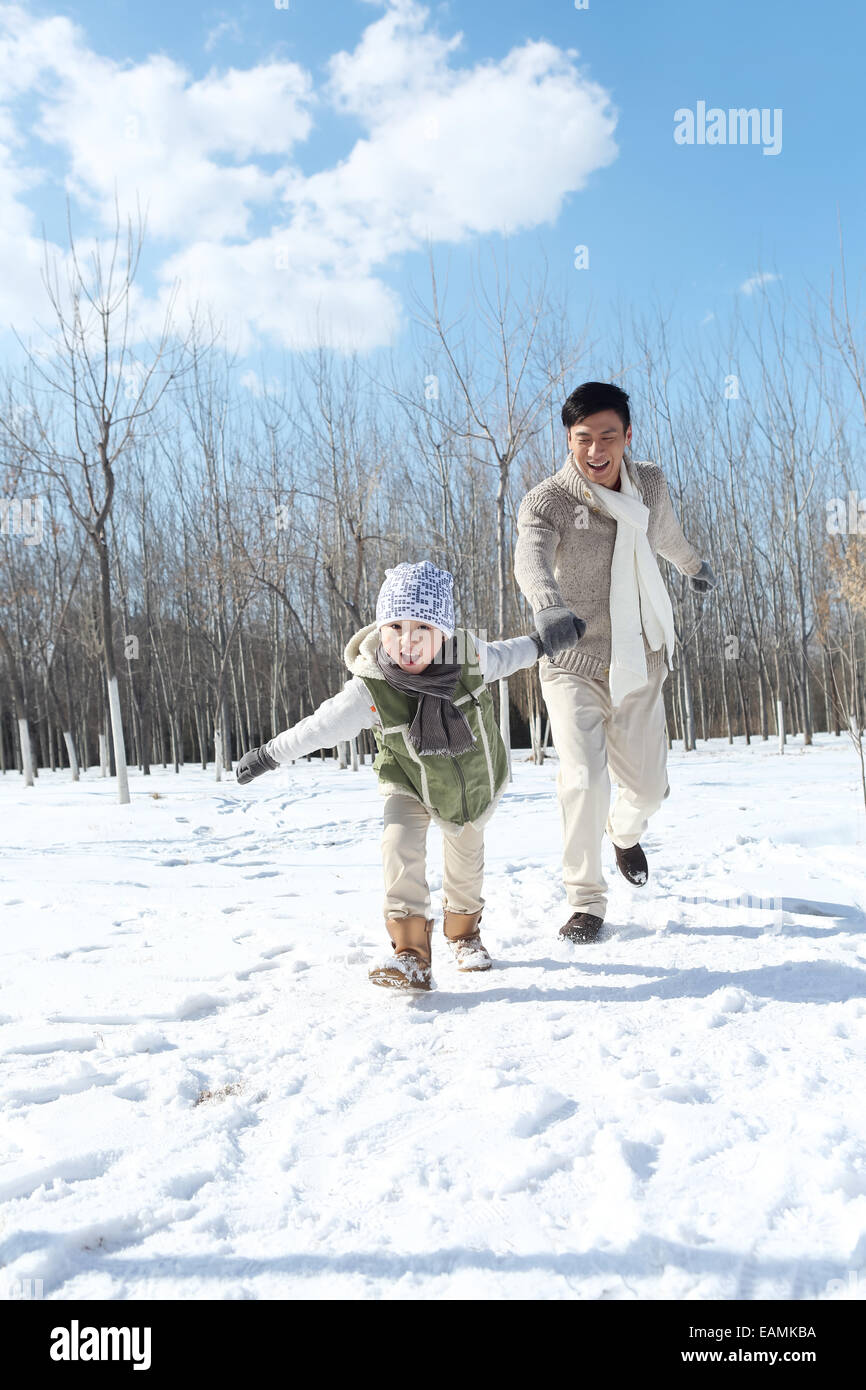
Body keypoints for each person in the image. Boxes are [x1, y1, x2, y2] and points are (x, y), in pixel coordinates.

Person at [235, 560, 583, 991]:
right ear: (381, 630)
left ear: (444, 633)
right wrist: (269, 754)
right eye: (395, 627)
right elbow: (319, 727)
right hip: (408, 780)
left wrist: (546, 641)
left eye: (422, 629)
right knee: (398, 846)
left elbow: (512, 655)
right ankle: (411, 955)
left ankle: (465, 934)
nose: (408, 642)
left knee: (465, 866)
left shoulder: (468, 659)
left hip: (468, 783)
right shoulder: (372, 687)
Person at [513, 381, 717, 944]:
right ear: (569, 440)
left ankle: (624, 834)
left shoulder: (647, 482)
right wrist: (549, 606)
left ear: (628, 436)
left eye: (608, 436)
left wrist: (692, 565)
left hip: (638, 655)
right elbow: (528, 555)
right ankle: (586, 900)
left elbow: (664, 533)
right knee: (582, 778)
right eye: (583, 439)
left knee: (649, 790)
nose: (596, 451)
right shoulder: (548, 499)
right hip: (573, 660)